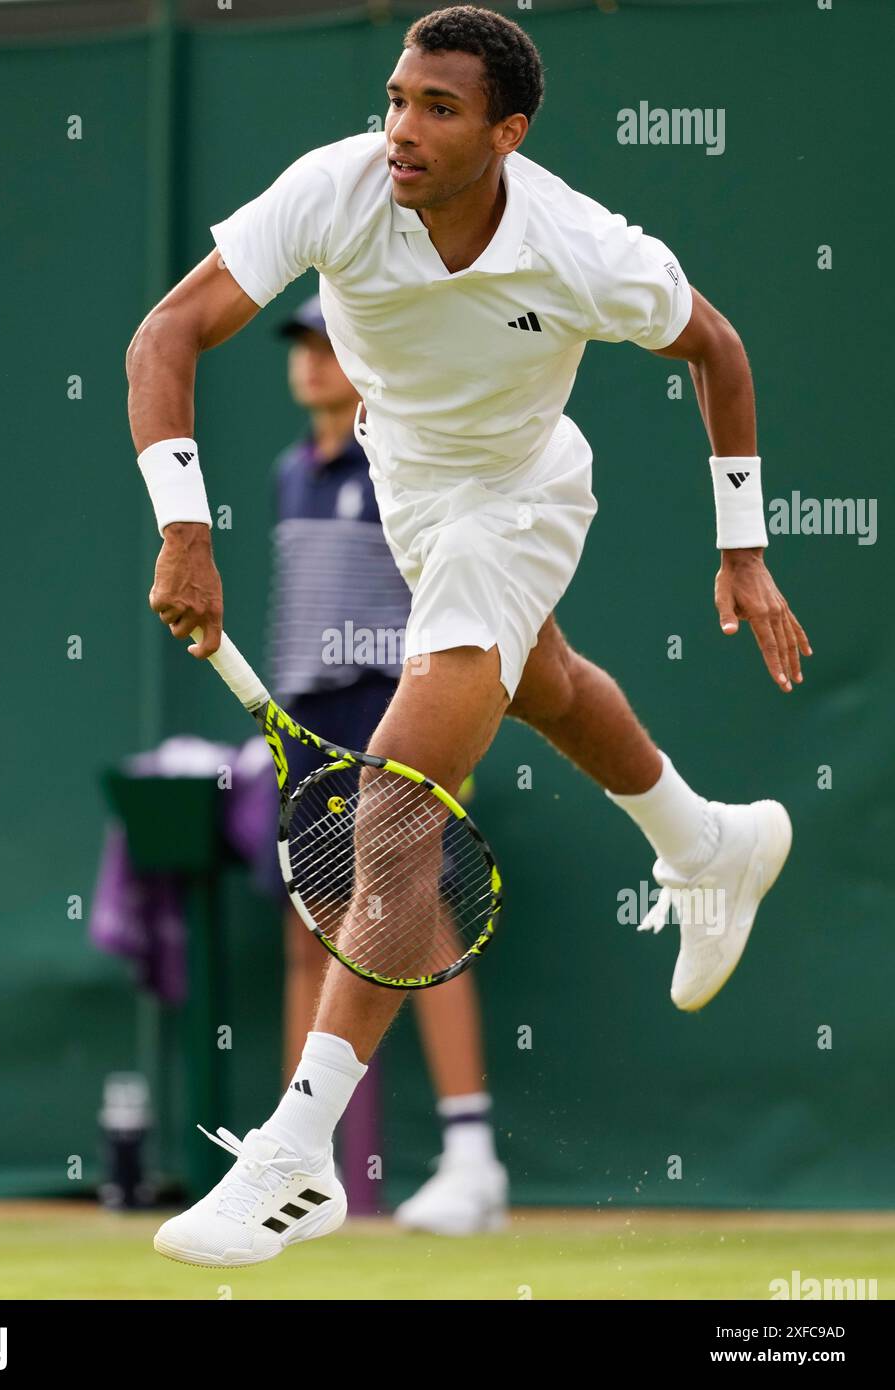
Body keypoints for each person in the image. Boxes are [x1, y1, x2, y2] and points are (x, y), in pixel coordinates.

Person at [127, 5, 811, 1267]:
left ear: (507, 132)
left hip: (522, 491)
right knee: (544, 681)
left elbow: (715, 347)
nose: (400, 129)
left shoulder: (581, 247)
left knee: (392, 809)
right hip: (412, 487)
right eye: (395, 99)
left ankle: (297, 1152)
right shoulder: (337, 187)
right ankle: (705, 841)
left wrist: (744, 547)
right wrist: (185, 527)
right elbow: (164, 334)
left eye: (437, 109)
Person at [256, 292, 508, 1232]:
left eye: (330, 344)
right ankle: (300, 1160)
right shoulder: (291, 472)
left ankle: (471, 1156)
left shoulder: (402, 463)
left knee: (417, 917)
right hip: (308, 720)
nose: (313, 361)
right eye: (302, 346)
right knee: (308, 930)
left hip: (392, 708)